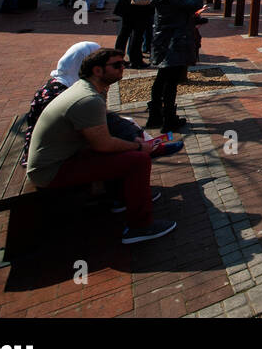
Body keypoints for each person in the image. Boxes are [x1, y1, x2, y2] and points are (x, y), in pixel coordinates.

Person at [25, 47, 177, 245]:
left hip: (64, 157)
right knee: (137, 160)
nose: (122, 68)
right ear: (97, 70)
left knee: (126, 150)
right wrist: (138, 147)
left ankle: (123, 197)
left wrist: (134, 139)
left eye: (124, 64)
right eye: (116, 65)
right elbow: (104, 145)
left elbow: (105, 130)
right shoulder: (88, 99)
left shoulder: (88, 89)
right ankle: (140, 225)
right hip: (51, 170)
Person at [21, 40, 183, 166]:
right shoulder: (66, 92)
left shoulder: (67, 82)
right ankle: (148, 152)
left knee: (123, 125)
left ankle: (152, 147)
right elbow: (99, 136)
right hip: (55, 155)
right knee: (122, 136)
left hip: (60, 145)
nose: (120, 68)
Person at [148, 0, 204, 131]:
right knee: (171, 81)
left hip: (162, 40)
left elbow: (176, 15)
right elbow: (195, 5)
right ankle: (169, 119)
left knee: (161, 79)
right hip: (176, 42)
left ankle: (155, 115)